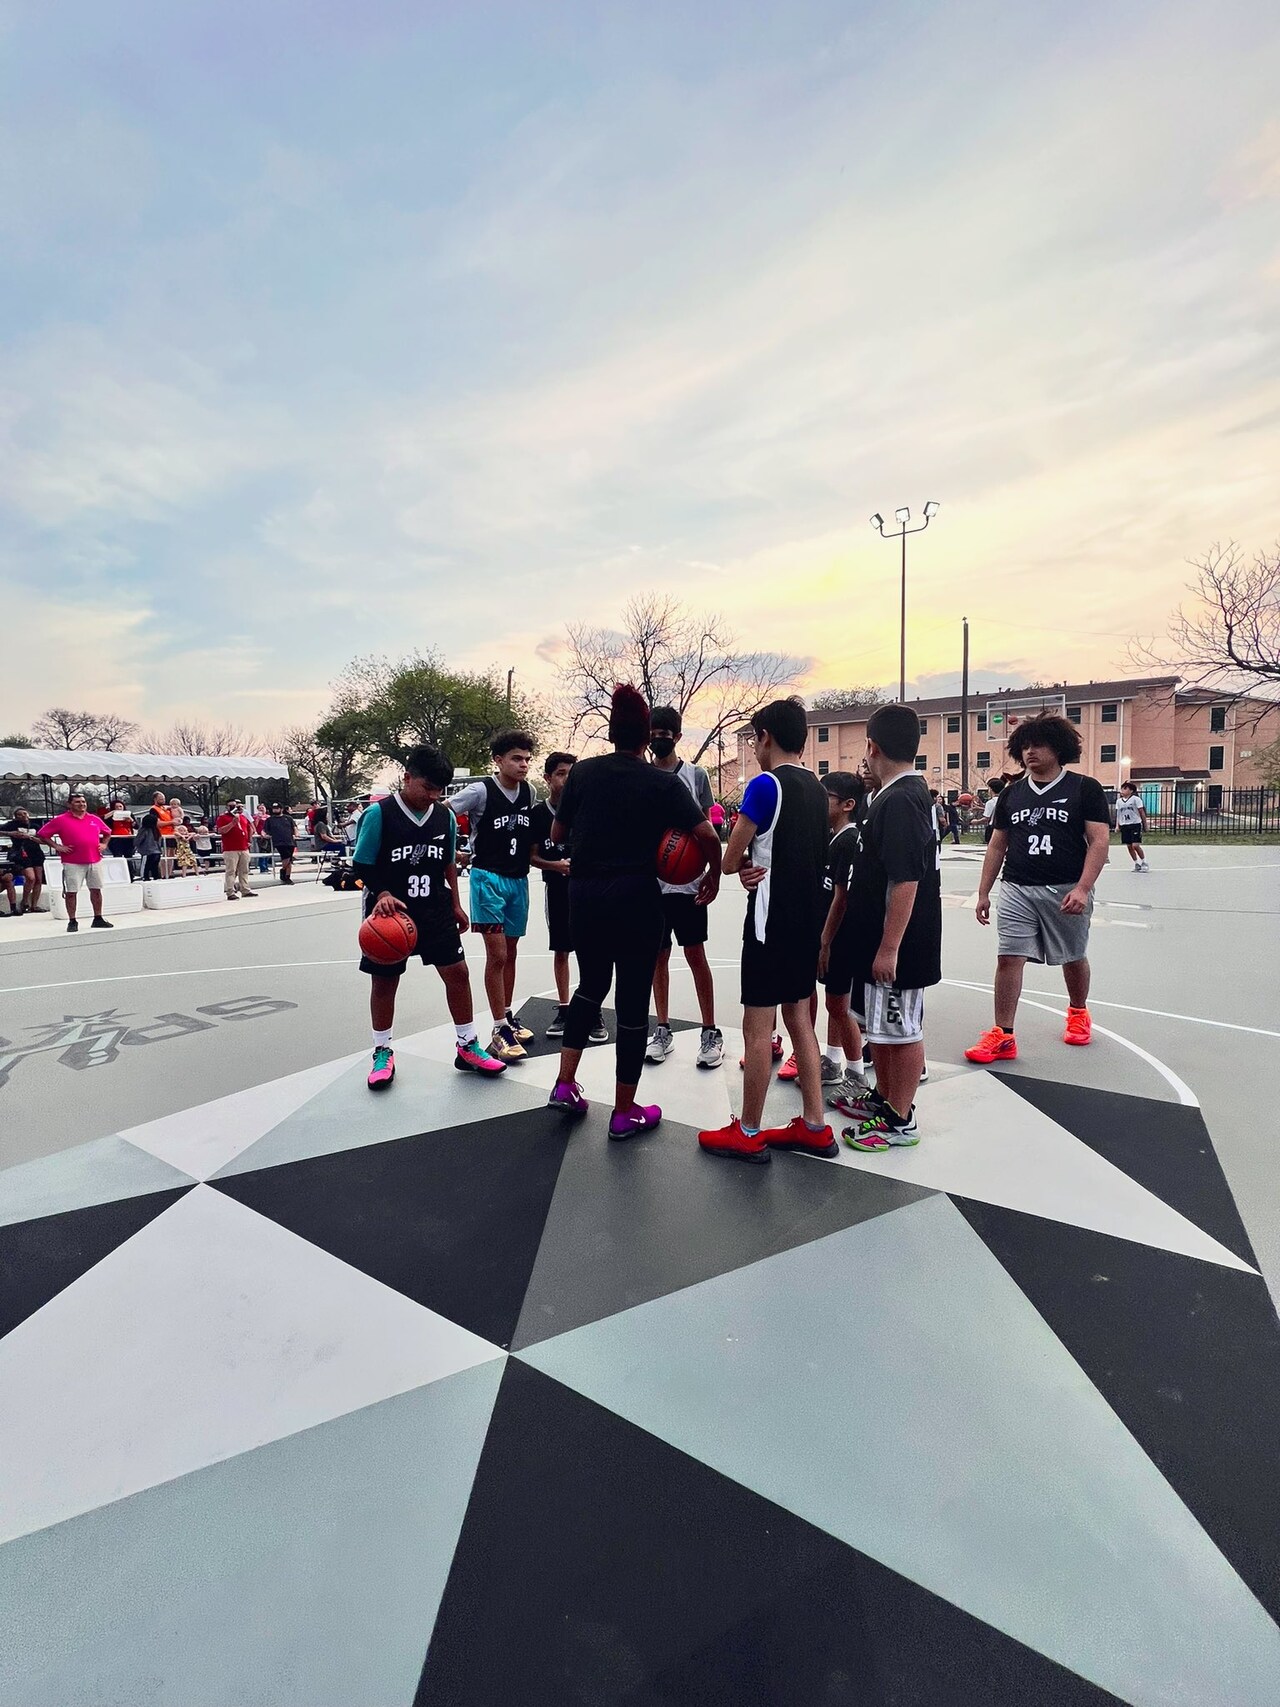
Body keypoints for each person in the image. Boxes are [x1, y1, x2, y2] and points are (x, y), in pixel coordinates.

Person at [546, 685, 721, 1135]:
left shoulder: (582, 774)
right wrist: (713, 875)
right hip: (636, 896)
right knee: (631, 999)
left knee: (591, 984)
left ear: (610, 732)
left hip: (583, 894)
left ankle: (565, 1084)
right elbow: (704, 834)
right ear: (647, 738)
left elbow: (558, 833)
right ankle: (624, 1112)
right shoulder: (661, 782)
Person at [699, 697, 834, 1164]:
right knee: (801, 1020)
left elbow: (729, 858)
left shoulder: (764, 786)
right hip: (806, 922)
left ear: (765, 738)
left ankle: (749, 1129)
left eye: (754, 739)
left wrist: (747, 864)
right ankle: (815, 1125)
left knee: (758, 1028)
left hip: (768, 925)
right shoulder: (818, 790)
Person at [351, 744, 506, 1090]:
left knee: (458, 972)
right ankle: (382, 1050)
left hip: (434, 906)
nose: (434, 795)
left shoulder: (444, 816)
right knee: (385, 982)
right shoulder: (380, 814)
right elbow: (360, 866)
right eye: (428, 787)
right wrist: (383, 893)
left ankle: (467, 1045)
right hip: (389, 912)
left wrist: (454, 902)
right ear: (407, 778)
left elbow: (447, 862)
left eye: (439, 790)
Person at [965, 712, 1111, 1064]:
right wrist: (984, 892)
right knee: (1009, 956)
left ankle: (1078, 1011)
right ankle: (1003, 1034)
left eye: (1038, 745)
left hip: (1065, 888)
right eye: (1025, 746)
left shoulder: (1083, 788)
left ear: (1059, 748)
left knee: (1072, 956)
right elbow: (998, 845)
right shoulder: (1012, 794)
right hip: (1017, 887)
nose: (1030, 752)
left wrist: (1083, 888)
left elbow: (1099, 841)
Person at [834, 705, 943, 1150]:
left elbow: (906, 878)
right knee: (883, 1029)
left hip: (902, 945)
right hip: (885, 938)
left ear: (872, 747)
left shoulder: (900, 799)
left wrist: (889, 947)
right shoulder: (898, 795)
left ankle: (900, 1120)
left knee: (901, 1032)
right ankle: (886, 1099)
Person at [448, 733, 539, 1063]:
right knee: (497, 953)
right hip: (487, 879)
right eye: (516, 758)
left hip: (518, 879)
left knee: (511, 952)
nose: (523, 764)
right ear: (498, 760)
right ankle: (498, 1027)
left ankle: (508, 1014)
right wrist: (456, 850)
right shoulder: (480, 791)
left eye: (527, 759)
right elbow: (443, 812)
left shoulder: (529, 791)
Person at [645, 706, 724, 1071]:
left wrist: (712, 871)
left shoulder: (696, 775)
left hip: (689, 881)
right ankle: (662, 1029)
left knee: (695, 956)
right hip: (653, 883)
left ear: (677, 737)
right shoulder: (642, 775)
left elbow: (709, 826)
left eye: (666, 732)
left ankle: (710, 1031)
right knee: (657, 957)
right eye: (654, 732)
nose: (659, 738)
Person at [529, 751, 606, 1044]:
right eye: (561, 774)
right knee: (561, 950)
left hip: (588, 889)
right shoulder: (538, 814)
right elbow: (532, 857)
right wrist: (555, 865)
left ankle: (593, 1008)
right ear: (548, 778)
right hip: (557, 890)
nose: (567, 779)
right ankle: (564, 1009)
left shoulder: (587, 808)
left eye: (571, 774)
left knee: (592, 951)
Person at [815, 771, 873, 1107]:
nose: (821, 803)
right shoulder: (834, 837)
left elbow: (841, 899)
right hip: (834, 936)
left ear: (848, 804)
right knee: (835, 1005)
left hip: (840, 938)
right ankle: (834, 1062)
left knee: (839, 1006)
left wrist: (825, 941)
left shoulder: (849, 841)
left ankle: (856, 1075)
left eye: (827, 797)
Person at [36, 793, 114, 932]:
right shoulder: (61, 820)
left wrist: (104, 844)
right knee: (71, 892)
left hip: (94, 860)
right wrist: (57, 847)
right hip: (72, 862)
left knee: (96, 890)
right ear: (69, 804)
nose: (82, 804)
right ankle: (72, 920)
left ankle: (98, 918)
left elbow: (108, 832)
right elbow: (42, 834)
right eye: (77, 802)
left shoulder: (93, 818)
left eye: (83, 802)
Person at [1, 809, 45, 913]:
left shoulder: (35, 826)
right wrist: (10, 833)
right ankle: (24, 901)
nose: (23, 816)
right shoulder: (12, 825)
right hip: (21, 853)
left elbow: (43, 840)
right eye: (19, 815)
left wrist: (30, 837)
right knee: (31, 877)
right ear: (16, 817)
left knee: (39, 879)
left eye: (24, 813)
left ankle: (34, 905)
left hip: (36, 853)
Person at [215, 799, 257, 899]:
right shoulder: (223, 818)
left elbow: (249, 829)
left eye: (237, 806)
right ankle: (230, 891)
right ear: (227, 807)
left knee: (244, 870)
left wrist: (249, 840)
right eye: (232, 806)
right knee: (231, 871)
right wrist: (232, 823)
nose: (235, 808)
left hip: (243, 847)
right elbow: (221, 830)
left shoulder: (243, 817)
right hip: (230, 849)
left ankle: (245, 889)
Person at [1115, 781, 1150, 872]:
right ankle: (1136, 863)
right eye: (1122, 788)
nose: (1122, 790)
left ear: (1131, 790)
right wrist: (1117, 826)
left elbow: (1141, 812)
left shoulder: (1135, 799)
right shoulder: (1119, 801)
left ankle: (1144, 862)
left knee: (1135, 845)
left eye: (1125, 788)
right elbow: (1118, 814)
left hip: (1135, 824)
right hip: (1125, 825)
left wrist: (1145, 825)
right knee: (1129, 846)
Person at [265, 803, 297, 884]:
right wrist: (264, 835)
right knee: (286, 857)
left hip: (290, 841)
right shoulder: (270, 819)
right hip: (279, 841)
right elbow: (265, 830)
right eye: (274, 808)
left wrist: (296, 834)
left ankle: (287, 876)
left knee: (289, 859)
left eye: (277, 808)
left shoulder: (288, 818)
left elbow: (294, 827)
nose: (275, 810)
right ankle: (283, 871)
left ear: (281, 809)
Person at [103, 798, 135, 868]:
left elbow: (136, 826)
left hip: (128, 838)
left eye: (120, 806)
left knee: (129, 857)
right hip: (116, 839)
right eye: (116, 807)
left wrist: (131, 820)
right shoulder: (110, 816)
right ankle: (119, 873)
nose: (119, 808)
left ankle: (131, 874)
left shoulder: (129, 814)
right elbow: (104, 819)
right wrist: (113, 812)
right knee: (118, 856)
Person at [135, 810, 164, 881]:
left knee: (146, 866)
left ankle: (145, 877)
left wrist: (136, 846)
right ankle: (156, 877)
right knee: (154, 866)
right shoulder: (156, 830)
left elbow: (138, 840)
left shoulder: (144, 830)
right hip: (157, 851)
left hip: (147, 851)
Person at [982, 773, 1009, 844]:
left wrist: (975, 821)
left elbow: (986, 818)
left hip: (993, 827)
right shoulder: (1006, 800)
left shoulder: (990, 802)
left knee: (993, 847)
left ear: (991, 789)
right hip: (1005, 827)